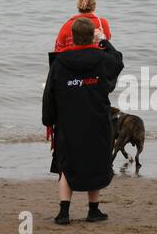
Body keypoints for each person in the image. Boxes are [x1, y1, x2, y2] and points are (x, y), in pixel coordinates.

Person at [42, 17, 125, 223]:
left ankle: (64, 212)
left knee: (66, 165)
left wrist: (48, 120)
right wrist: (104, 41)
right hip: (97, 120)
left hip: (68, 122)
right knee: (95, 162)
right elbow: (118, 61)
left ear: (72, 38)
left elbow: (49, 93)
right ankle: (93, 210)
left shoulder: (60, 62)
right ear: (92, 37)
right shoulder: (103, 59)